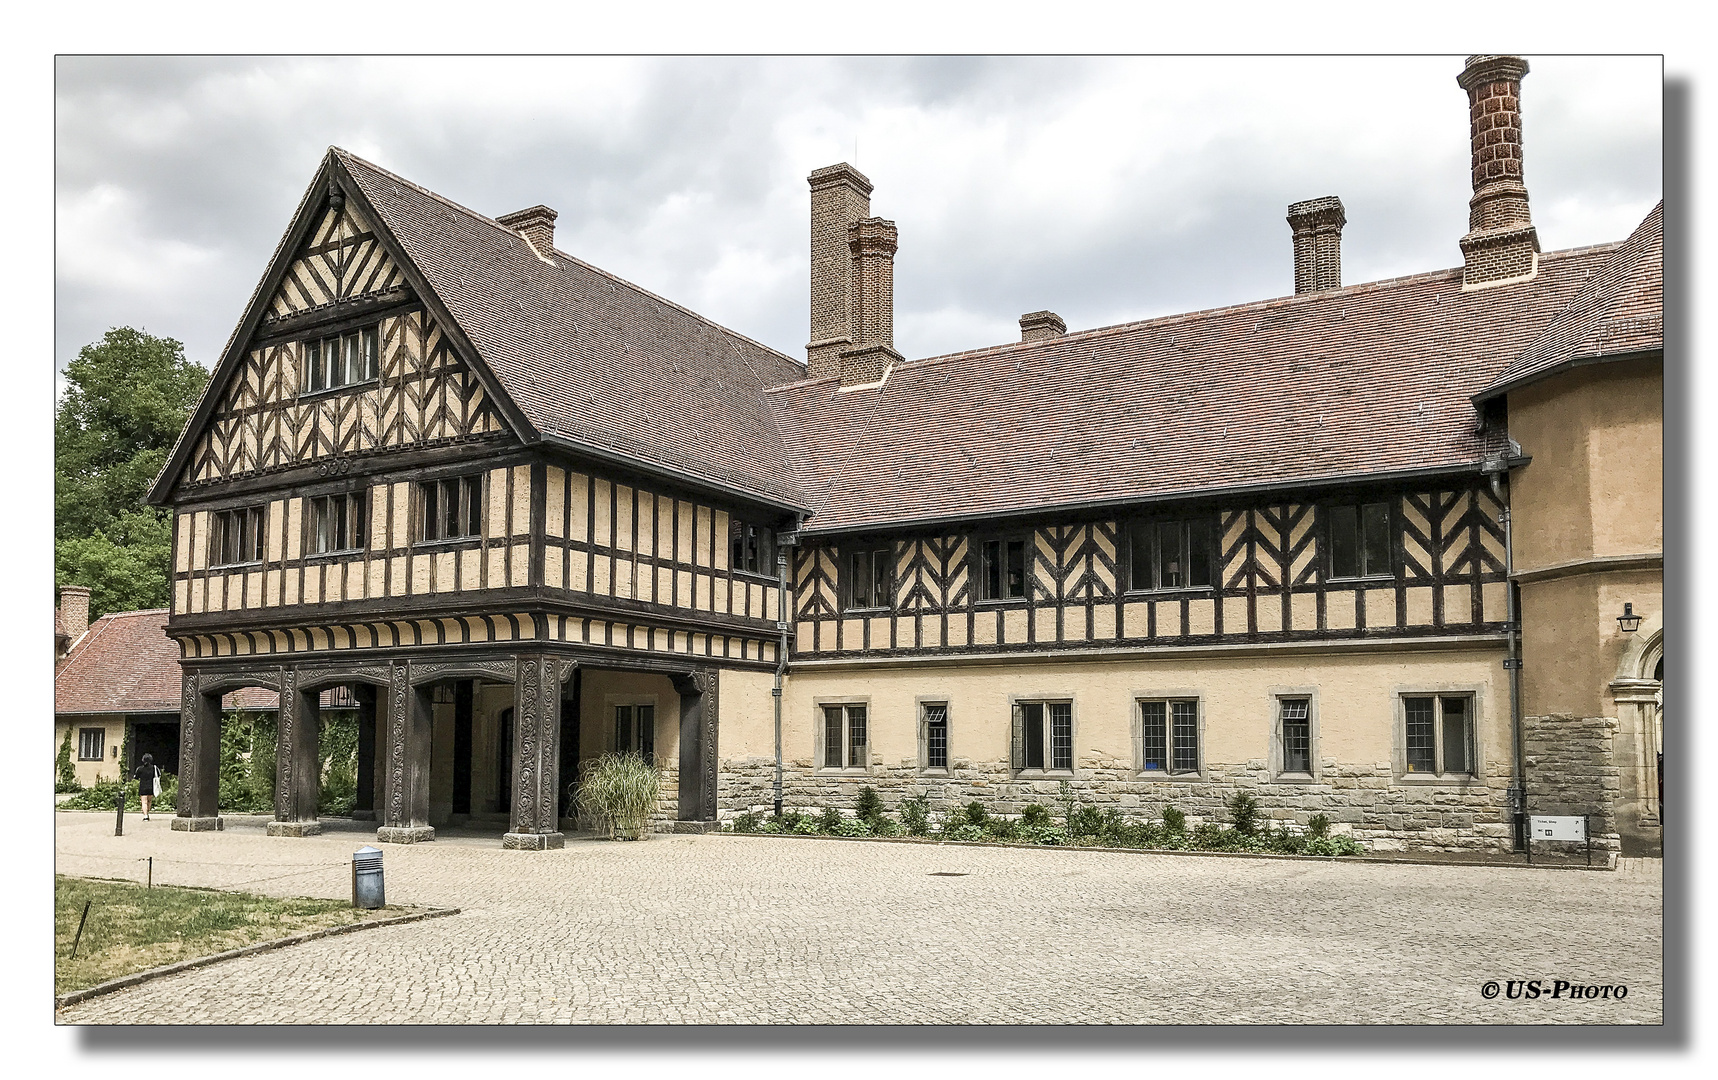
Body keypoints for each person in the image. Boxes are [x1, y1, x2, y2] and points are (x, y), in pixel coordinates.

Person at [133, 754, 162, 820]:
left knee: (144, 802)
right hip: (152, 787)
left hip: (143, 787)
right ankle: (147, 812)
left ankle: (145, 815)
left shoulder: (140, 769)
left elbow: (136, 777)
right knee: (149, 801)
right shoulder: (154, 768)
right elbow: (159, 775)